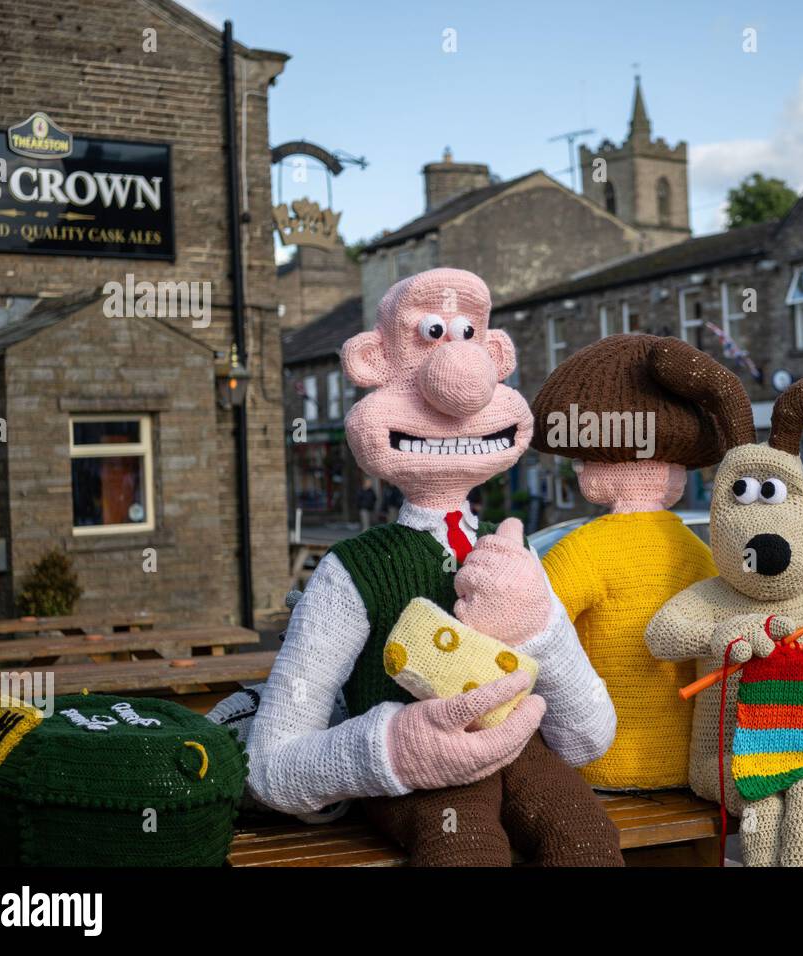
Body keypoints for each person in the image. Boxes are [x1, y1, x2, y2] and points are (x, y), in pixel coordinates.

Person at [237, 269, 620, 866]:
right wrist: (395, 747)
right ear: (374, 364)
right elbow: (270, 766)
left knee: (586, 835)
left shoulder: (512, 554)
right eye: (433, 337)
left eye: (467, 337)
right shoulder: (354, 570)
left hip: (519, 750)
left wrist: (538, 627)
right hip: (415, 777)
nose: (456, 382)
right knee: (462, 841)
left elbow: (588, 736)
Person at [530, 334, 753, 790]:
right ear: (675, 471)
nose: (579, 467)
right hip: (687, 766)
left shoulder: (583, 549)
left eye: (584, 459)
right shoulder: (697, 550)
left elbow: (531, 634)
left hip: (601, 765)